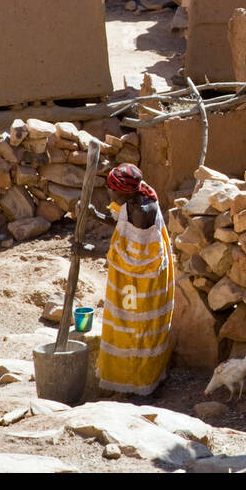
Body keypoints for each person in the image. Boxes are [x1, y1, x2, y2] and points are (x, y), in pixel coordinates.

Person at [80, 163, 175, 396]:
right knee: (130, 327)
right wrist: (95, 215)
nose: (110, 195)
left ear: (125, 192)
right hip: (135, 280)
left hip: (144, 281)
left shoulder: (143, 211)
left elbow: (135, 257)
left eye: (113, 191)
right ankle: (130, 382)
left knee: (139, 329)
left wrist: (91, 251)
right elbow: (121, 222)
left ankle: (141, 387)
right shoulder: (135, 197)